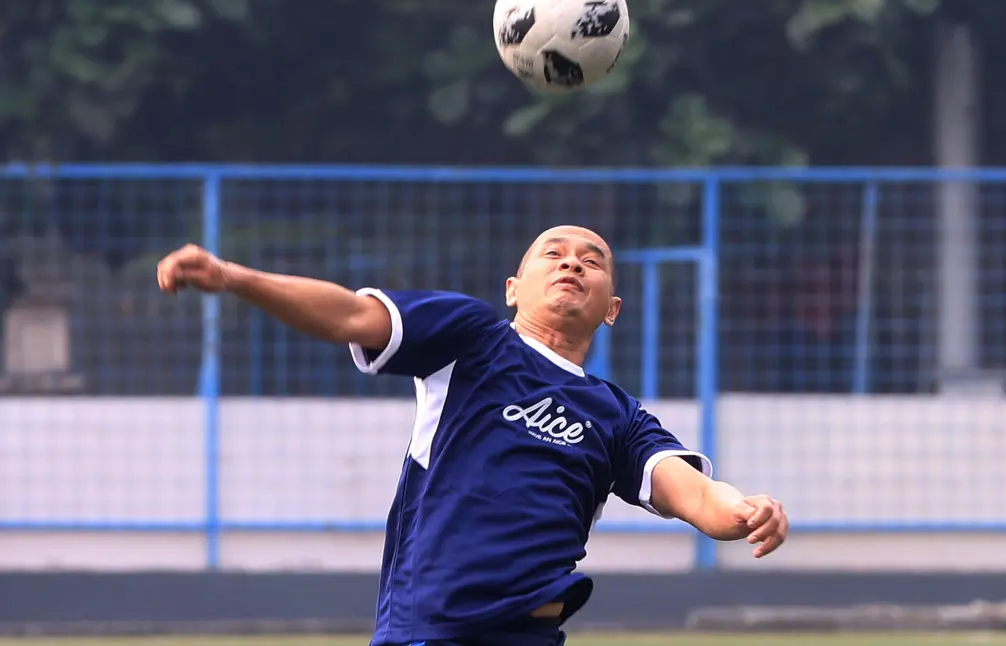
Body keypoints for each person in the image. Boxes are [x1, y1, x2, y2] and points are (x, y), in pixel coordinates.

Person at [156, 225, 789, 646]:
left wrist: (744, 511)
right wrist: (236, 278)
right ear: (514, 289)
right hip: (434, 629)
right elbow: (351, 314)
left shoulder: (615, 414)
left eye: (592, 260)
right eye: (554, 253)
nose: (573, 261)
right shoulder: (473, 340)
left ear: (612, 308)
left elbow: (696, 494)